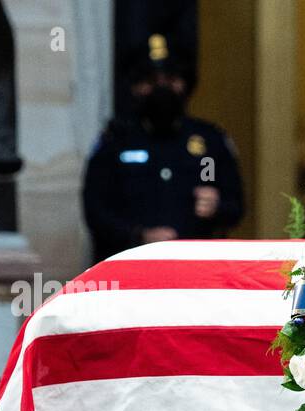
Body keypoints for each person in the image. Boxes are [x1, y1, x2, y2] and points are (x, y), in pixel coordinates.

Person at [82, 35, 244, 263]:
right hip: (130, 267)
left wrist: (217, 206)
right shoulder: (116, 141)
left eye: (170, 79)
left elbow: (235, 205)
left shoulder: (209, 141)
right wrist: (139, 236)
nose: (162, 88)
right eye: (151, 80)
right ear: (137, 86)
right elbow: (96, 210)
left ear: (184, 84)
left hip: (198, 267)